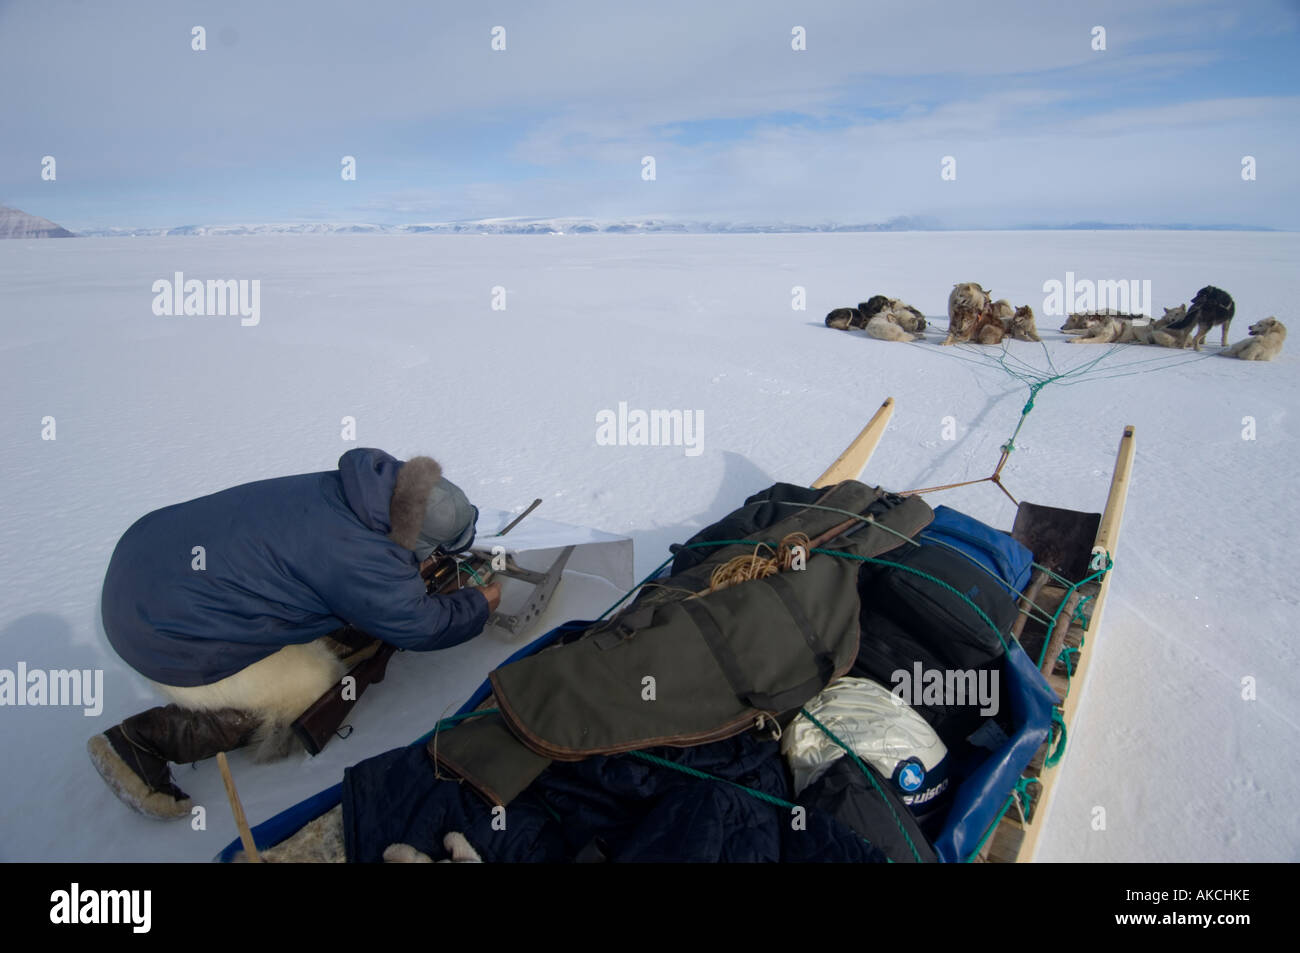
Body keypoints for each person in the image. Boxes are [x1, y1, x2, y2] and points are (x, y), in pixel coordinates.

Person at [87, 447, 501, 820]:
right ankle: (144, 742)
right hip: (165, 637)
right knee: (309, 684)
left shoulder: (358, 488)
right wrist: (478, 605)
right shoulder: (360, 556)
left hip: (142, 565)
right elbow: (420, 627)